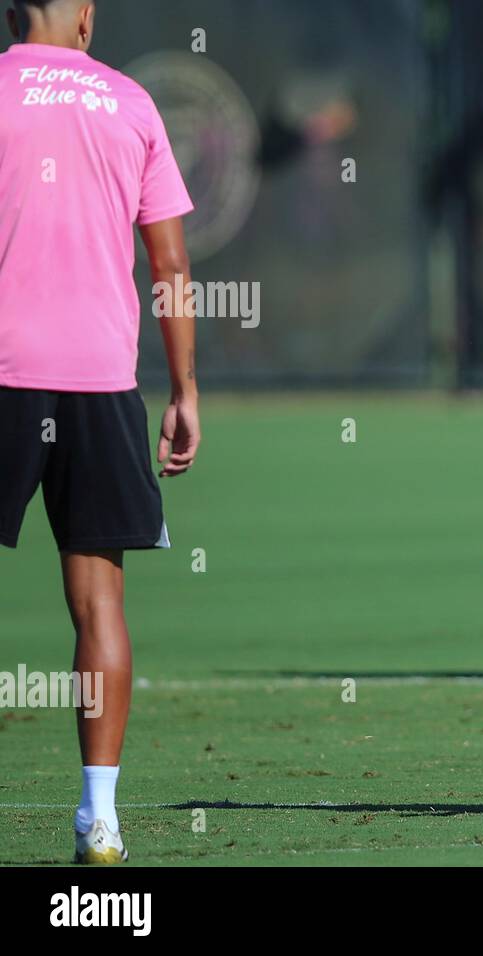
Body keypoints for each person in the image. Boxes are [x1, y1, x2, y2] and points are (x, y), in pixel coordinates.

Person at [0, 0, 199, 862]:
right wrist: (185, 387)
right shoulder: (131, 101)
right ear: (84, 15)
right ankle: (101, 818)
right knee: (99, 602)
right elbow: (170, 264)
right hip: (100, 379)